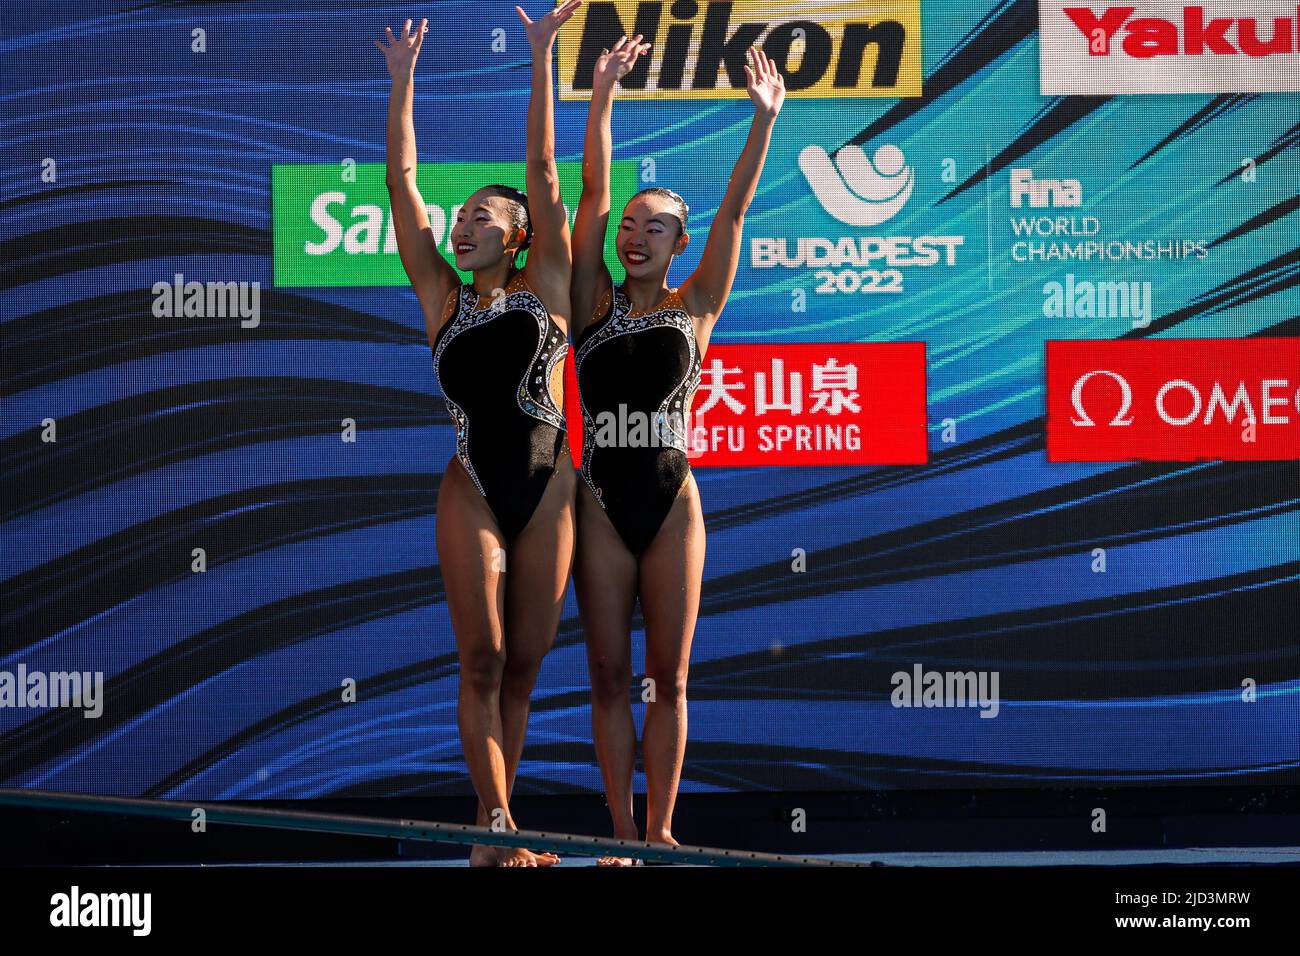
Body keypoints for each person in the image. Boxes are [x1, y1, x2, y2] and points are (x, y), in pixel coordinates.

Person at [570, 37, 785, 864]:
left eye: (653, 228)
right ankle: (622, 837)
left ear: (678, 245)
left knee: (671, 676)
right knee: (607, 677)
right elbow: (592, 190)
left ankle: (660, 831)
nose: (635, 236)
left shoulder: (696, 307)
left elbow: (732, 213)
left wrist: (763, 122)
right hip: (598, 503)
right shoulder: (589, 301)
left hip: (672, 505)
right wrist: (600, 96)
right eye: (629, 226)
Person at [375, 3, 581, 867]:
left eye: (482, 217)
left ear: (521, 234)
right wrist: (403, 83)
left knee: (525, 665)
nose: (462, 227)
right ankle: (496, 829)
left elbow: (544, 169)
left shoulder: (549, 283)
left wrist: (541, 57)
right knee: (484, 657)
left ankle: (494, 834)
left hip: (550, 490)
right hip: (472, 484)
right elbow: (402, 184)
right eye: (459, 217)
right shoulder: (441, 297)